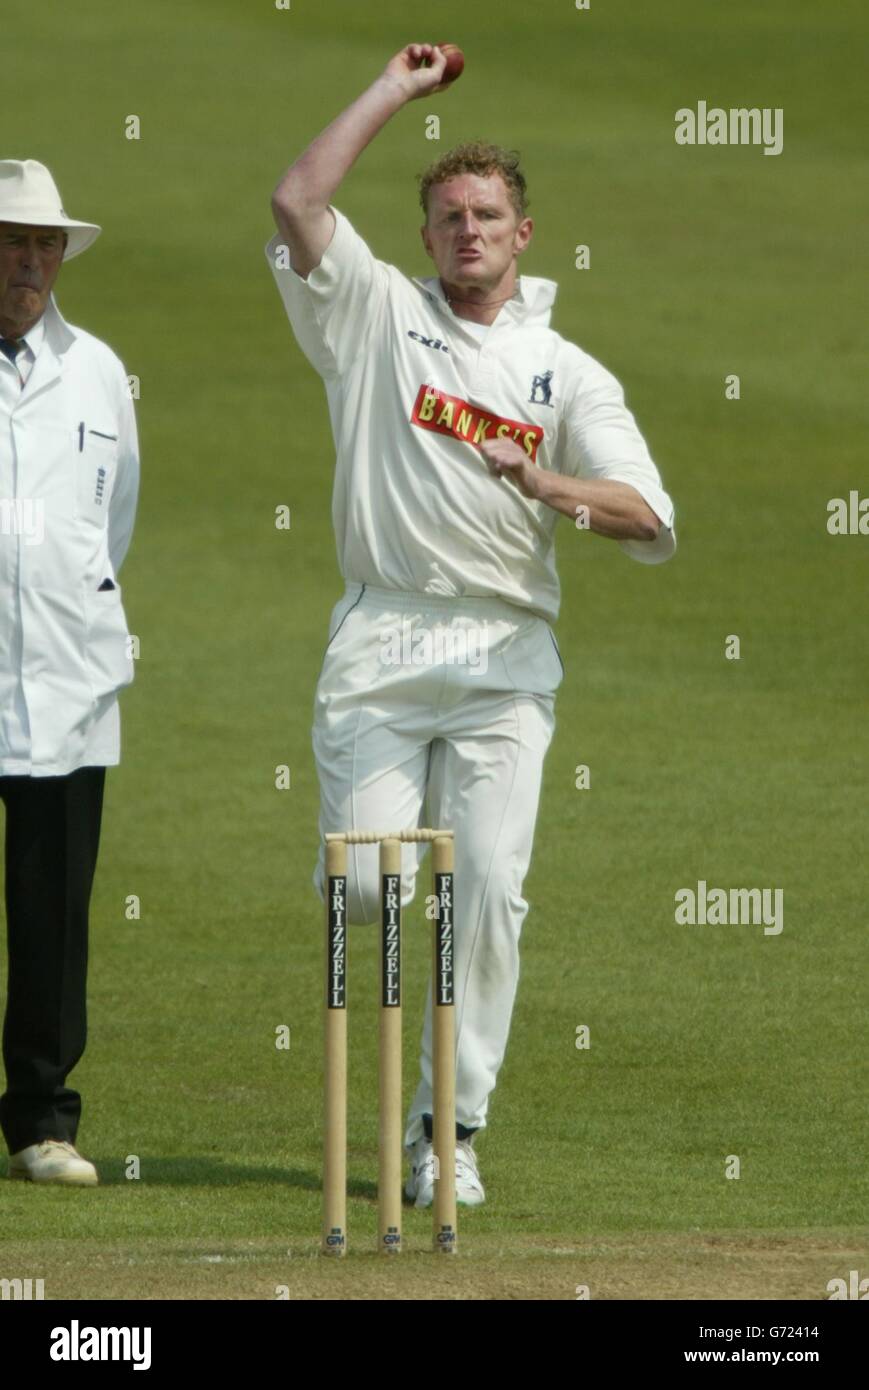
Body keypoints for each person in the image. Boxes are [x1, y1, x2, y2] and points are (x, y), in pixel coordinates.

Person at [266, 44, 675, 1206]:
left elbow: (648, 515)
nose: (465, 232)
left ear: (522, 234)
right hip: (383, 642)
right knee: (366, 896)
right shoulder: (373, 315)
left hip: (503, 658)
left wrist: (545, 485)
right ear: (427, 233)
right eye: (445, 215)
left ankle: (447, 1125)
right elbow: (298, 199)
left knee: (488, 890)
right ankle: (410, 1082)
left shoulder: (565, 374)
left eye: (485, 214)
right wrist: (396, 87)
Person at [0, 159, 139, 1185]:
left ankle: (42, 1119)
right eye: (12, 241)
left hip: (67, 675)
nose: (30, 260)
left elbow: (112, 518)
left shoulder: (96, 368)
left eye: (44, 243)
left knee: (53, 908)